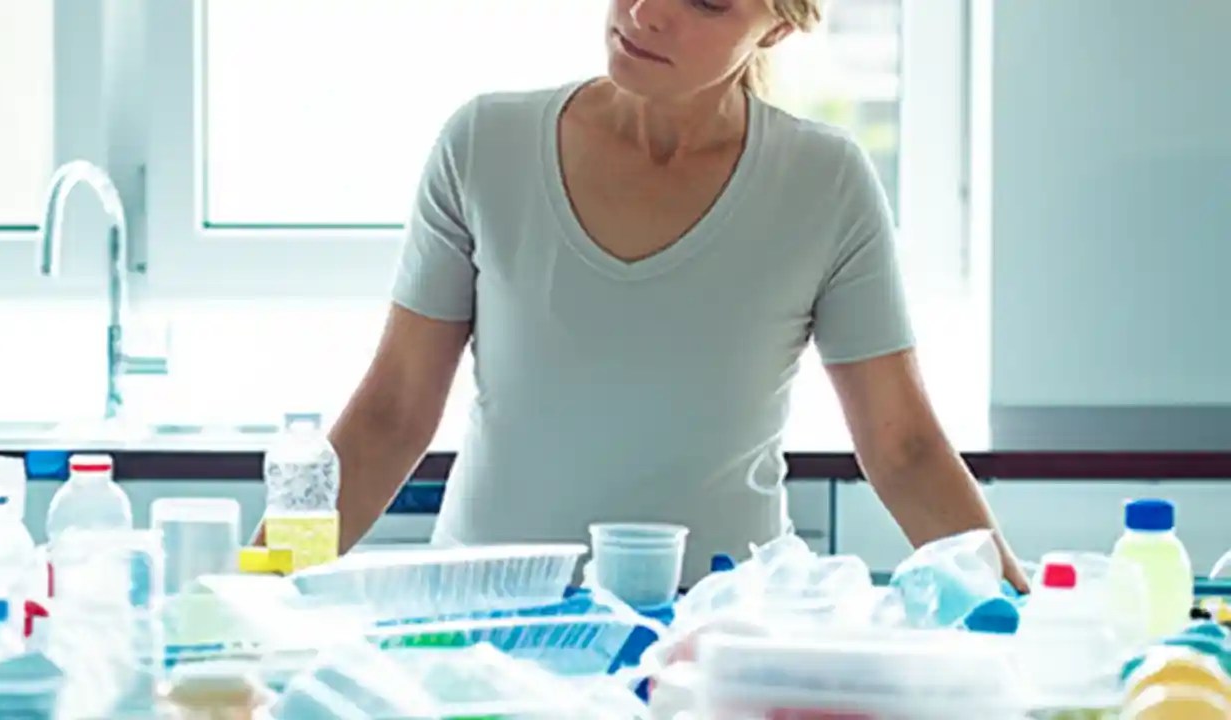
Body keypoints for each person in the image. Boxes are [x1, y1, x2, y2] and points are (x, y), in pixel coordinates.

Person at [317, 0, 1030, 591]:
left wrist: (1022, 618)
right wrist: (252, 602)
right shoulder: (483, 145)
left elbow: (902, 447)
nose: (645, 11)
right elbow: (390, 415)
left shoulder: (823, 182)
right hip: (488, 614)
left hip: (718, 631)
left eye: (708, 2)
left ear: (778, 26)